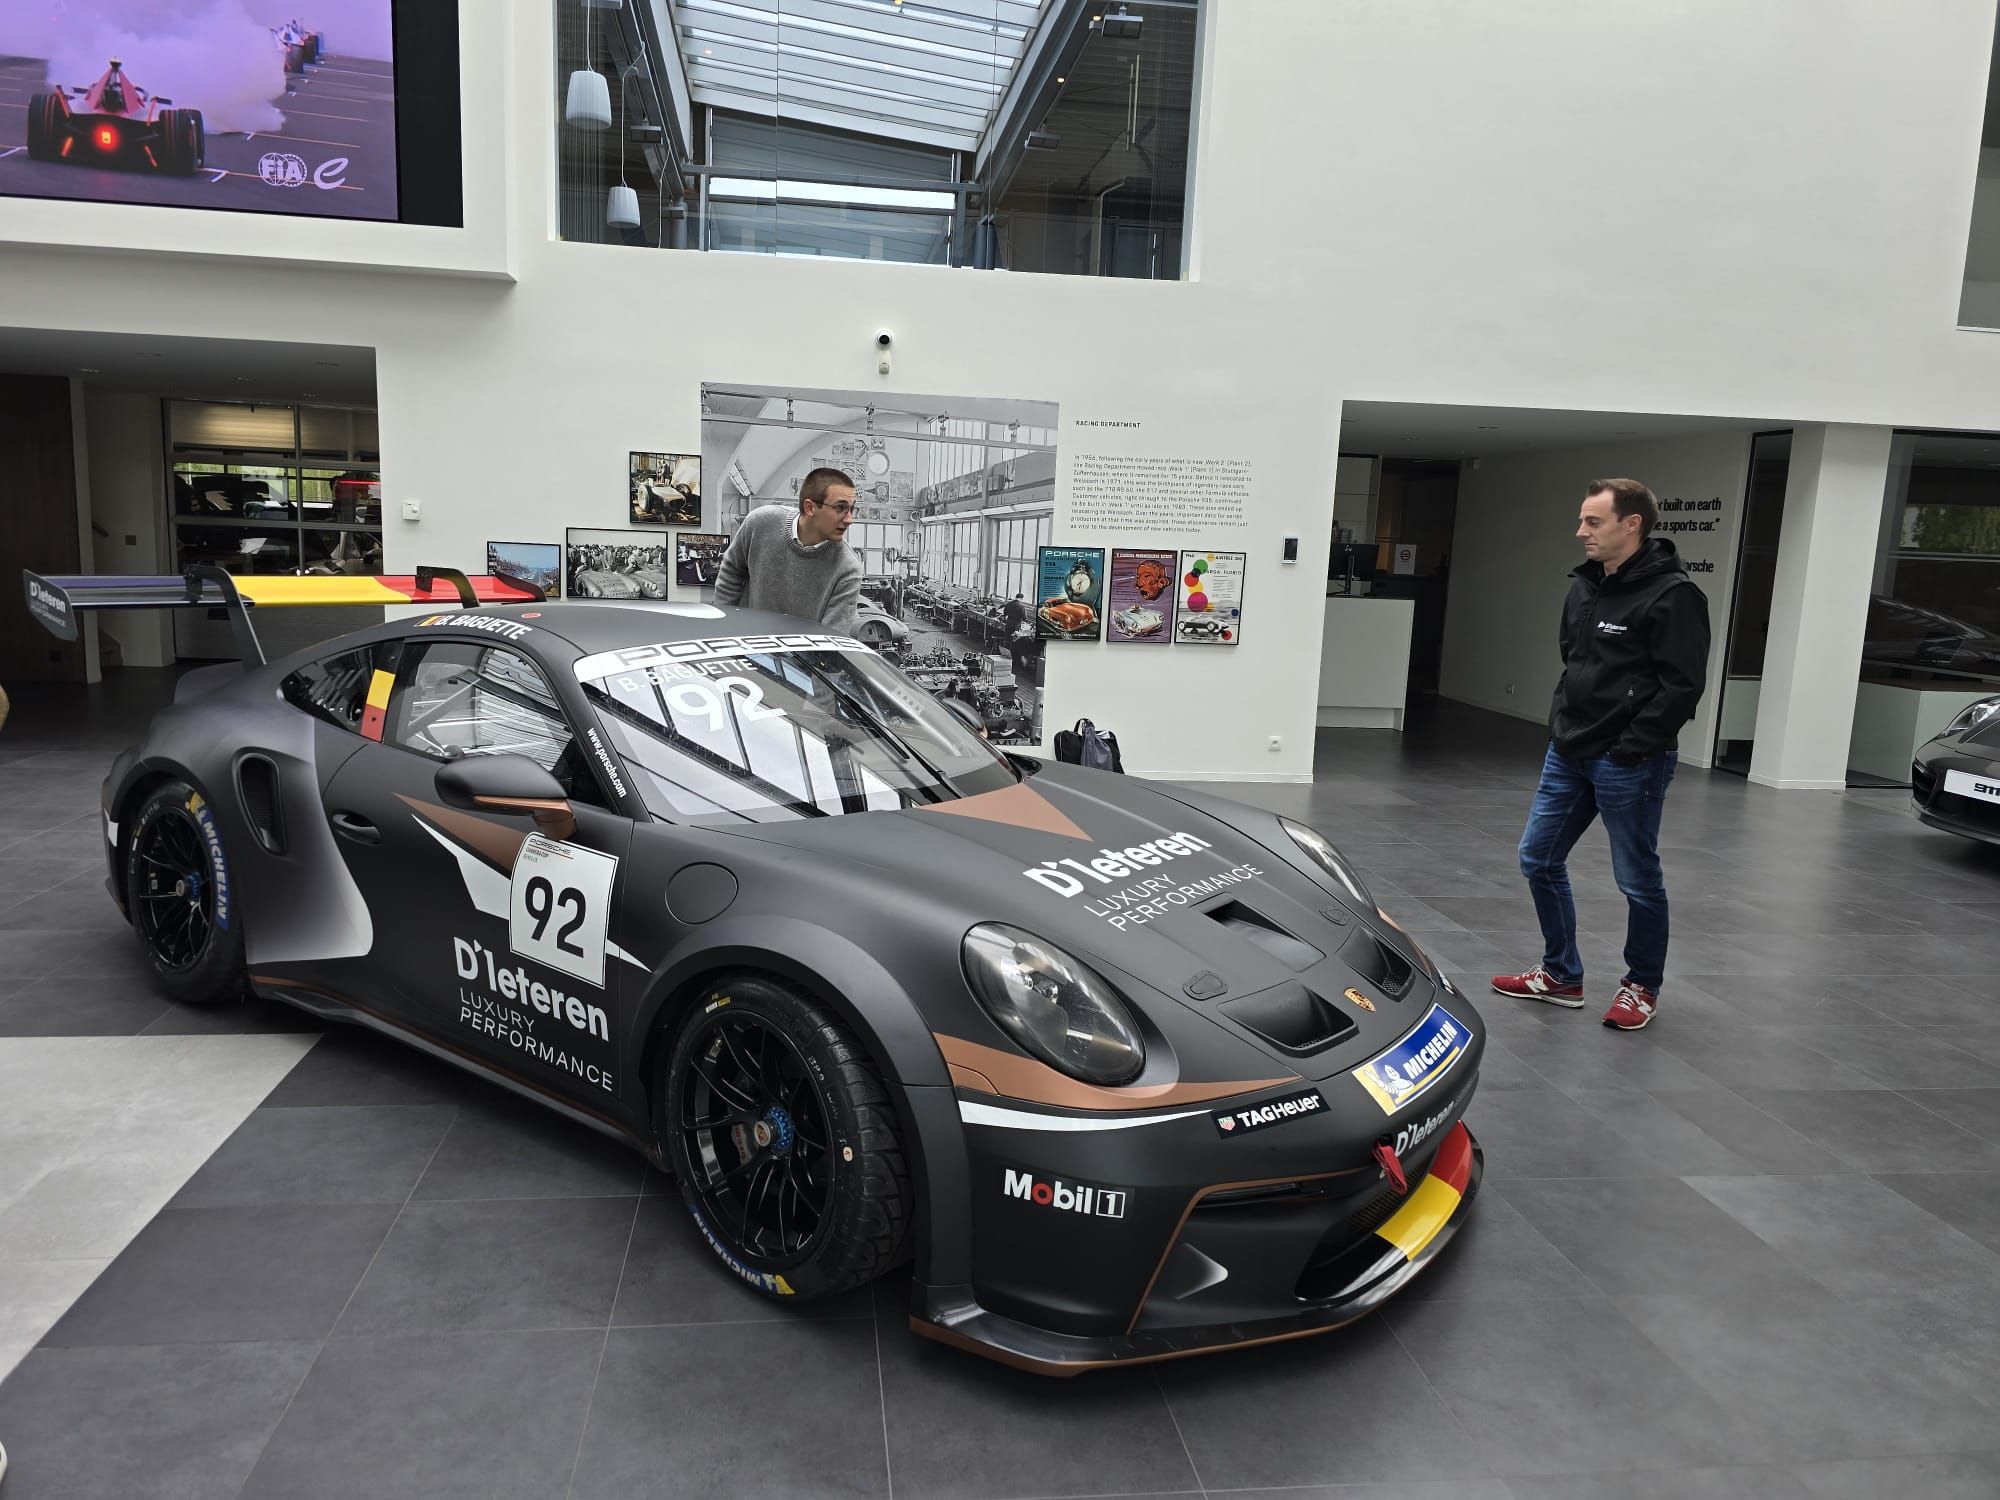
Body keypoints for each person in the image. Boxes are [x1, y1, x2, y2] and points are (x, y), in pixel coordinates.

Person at [1492, 477, 1711, 1032]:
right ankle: (1561, 975)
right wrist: (1562, 723)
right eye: (1582, 520)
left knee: (1637, 878)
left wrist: (1632, 747)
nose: (1580, 531)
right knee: (1537, 859)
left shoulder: (1673, 595)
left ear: (1631, 523)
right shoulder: (1585, 587)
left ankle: (1641, 986)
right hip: (1570, 750)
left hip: (1628, 760)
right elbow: (1575, 661)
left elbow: (1681, 686)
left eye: (1593, 521)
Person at [715, 468, 863, 633]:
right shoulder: (760, 523)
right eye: (840, 508)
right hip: (747, 643)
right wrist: (725, 626)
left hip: (798, 656)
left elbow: (833, 635)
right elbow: (731, 570)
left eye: (852, 509)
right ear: (810, 508)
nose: (849, 519)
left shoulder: (848, 569)